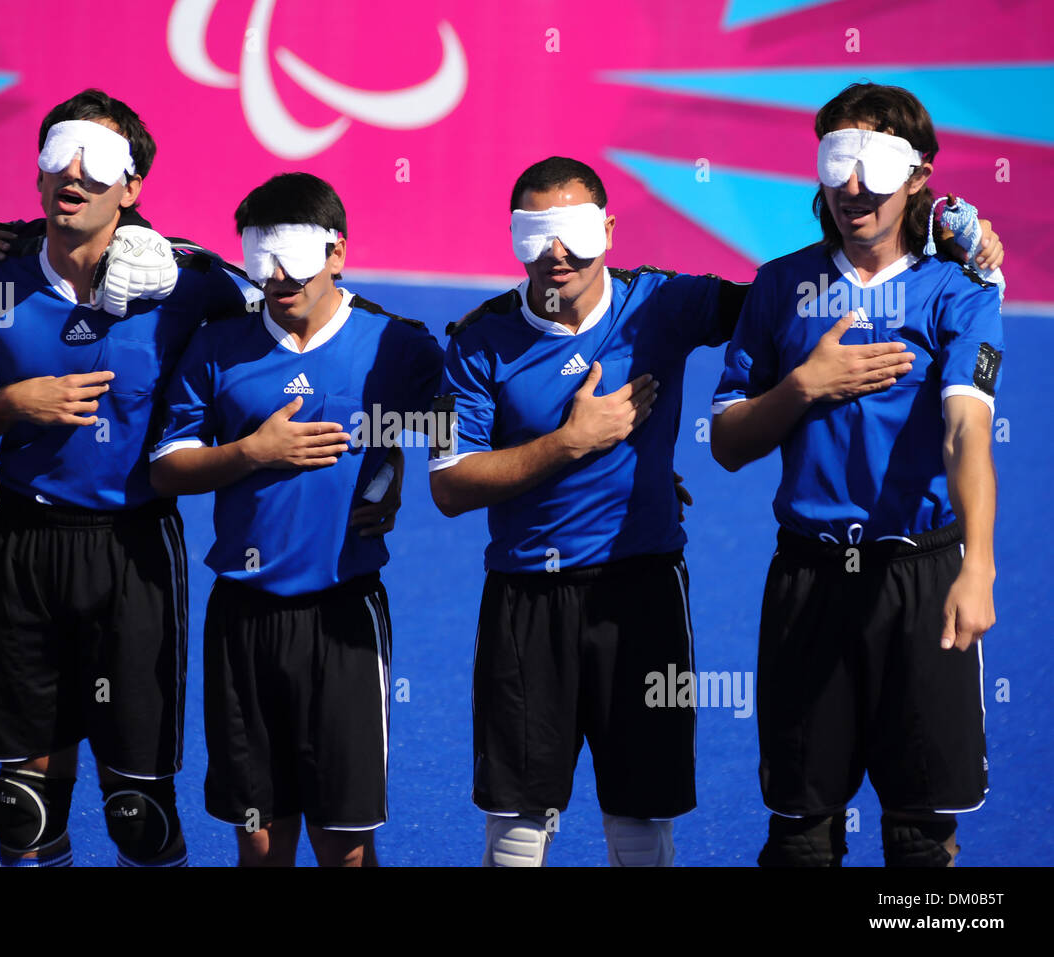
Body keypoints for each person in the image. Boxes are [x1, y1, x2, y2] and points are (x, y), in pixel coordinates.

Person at [0, 89, 250, 867]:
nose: (72, 173)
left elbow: (305, 312)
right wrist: (8, 404)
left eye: (97, 161)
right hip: (24, 545)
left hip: (133, 552)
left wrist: (378, 476)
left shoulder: (191, 282)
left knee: (139, 809)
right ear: (36, 172)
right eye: (58, 155)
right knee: (20, 808)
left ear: (130, 187)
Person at [709, 82, 1003, 867]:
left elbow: (968, 431)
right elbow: (728, 442)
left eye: (875, 166)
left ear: (919, 175)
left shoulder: (960, 290)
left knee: (918, 834)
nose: (853, 187)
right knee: (801, 833)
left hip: (923, 577)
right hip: (809, 582)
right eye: (838, 161)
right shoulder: (778, 286)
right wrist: (807, 384)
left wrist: (978, 564)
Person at [429, 156, 752, 867]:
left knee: (639, 821)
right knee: (516, 826)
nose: (556, 253)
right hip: (525, 599)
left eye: (574, 230)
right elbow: (449, 485)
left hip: (640, 593)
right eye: (536, 234)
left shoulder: (666, 305)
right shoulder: (479, 340)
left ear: (608, 228)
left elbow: (778, 301)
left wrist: (933, 241)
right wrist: (572, 442)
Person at [149, 172, 440, 866]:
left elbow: (466, 422)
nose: (277, 276)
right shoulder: (219, 347)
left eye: (295, 256)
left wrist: (392, 463)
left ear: (337, 252)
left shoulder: (397, 345)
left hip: (343, 618)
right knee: (258, 837)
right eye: (261, 257)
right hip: (243, 617)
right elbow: (166, 466)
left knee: (344, 842)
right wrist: (252, 451)